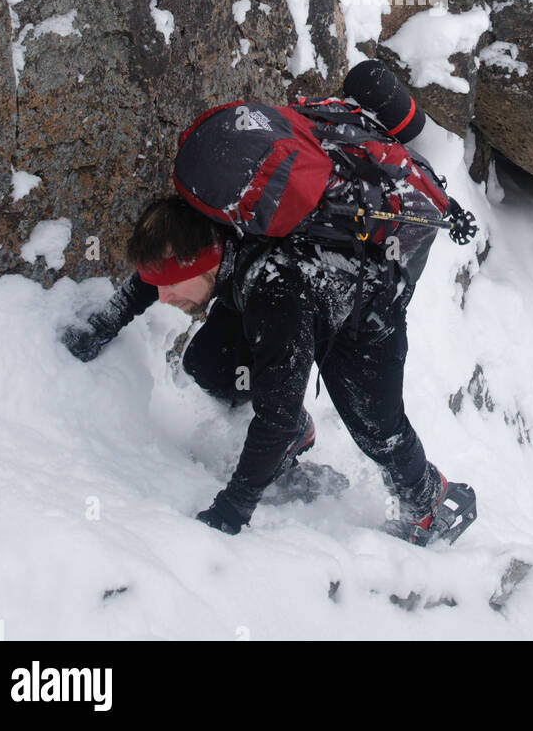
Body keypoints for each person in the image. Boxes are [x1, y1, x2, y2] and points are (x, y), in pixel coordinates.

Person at [61, 192, 475, 544]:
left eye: (171, 285)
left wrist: (231, 512)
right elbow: (156, 271)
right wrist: (104, 323)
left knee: (379, 431)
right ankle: (301, 432)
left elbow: (273, 416)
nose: (164, 297)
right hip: (286, 284)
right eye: (161, 285)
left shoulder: (276, 298)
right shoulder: (209, 222)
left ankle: (428, 503)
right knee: (209, 364)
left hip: (362, 312)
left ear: (203, 265)